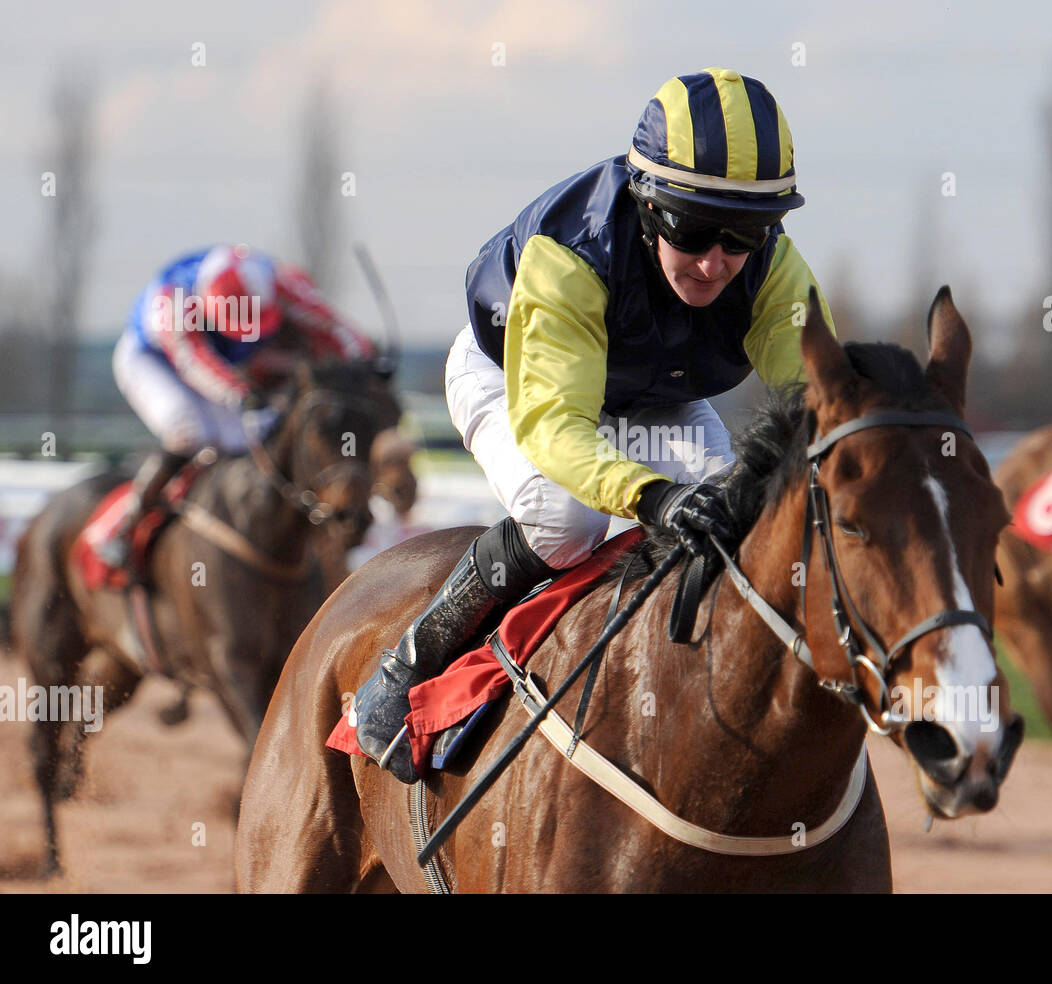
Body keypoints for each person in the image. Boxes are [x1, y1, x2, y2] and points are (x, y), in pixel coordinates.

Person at [353, 67, 836, 782]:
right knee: (564, 520)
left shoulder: (772, 269)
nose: (714, 261)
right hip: (515, 380)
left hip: (654, 398)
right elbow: (557, 426)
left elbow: (820, 395)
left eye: (745, 235)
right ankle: (411, 662)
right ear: (647, 203)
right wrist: (651, 495)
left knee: (742, 524)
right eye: (694, 227)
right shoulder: (571, 251)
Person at [99, 243, 375, 568]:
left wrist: (365, 360)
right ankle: (129, 524)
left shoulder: (281, 282)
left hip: (225, 362)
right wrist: (240, 393)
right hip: (156, 361)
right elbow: (193, 363)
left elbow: (330, 324)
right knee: (191, 432)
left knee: (253, 439)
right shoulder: (173, 300)